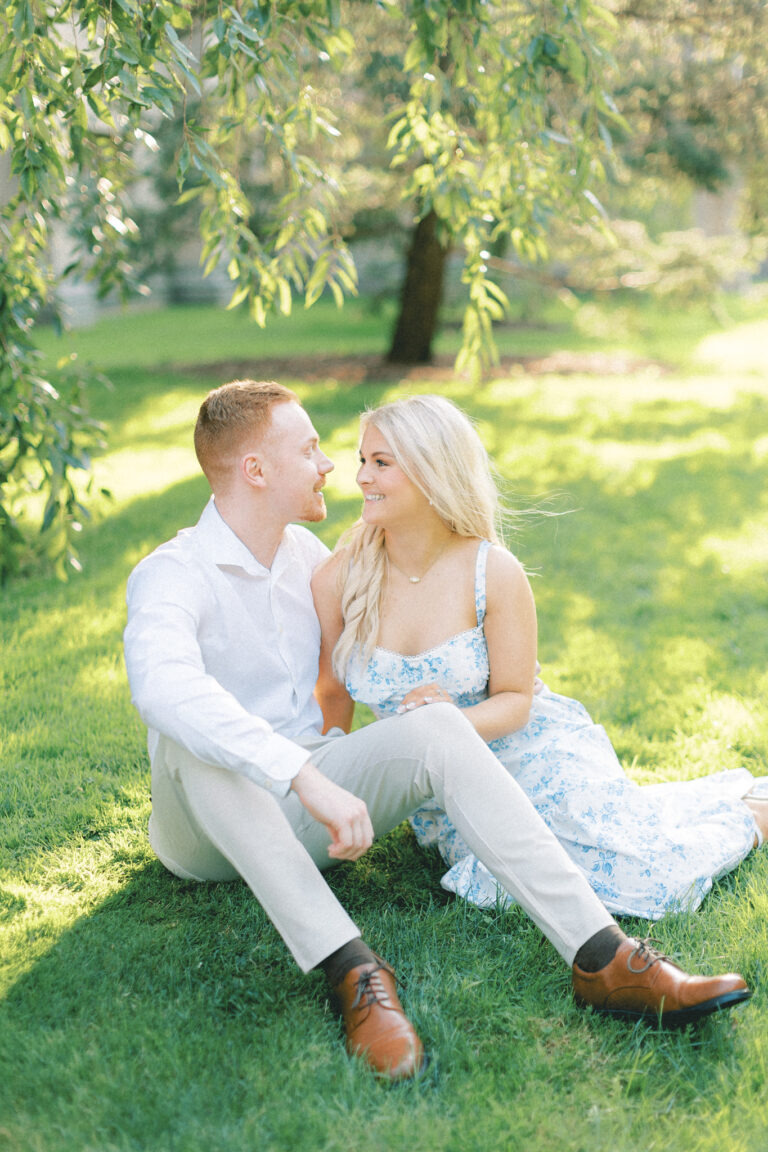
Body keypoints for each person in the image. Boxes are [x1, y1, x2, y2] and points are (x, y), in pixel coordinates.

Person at [124, 380, 752, 1085]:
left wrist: (334, 762)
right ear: (256, 470)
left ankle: (604, 958)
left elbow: (333, 691)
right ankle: (353, 970)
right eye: (310, 450)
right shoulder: (171, 575)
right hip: (205, 835)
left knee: (438, 726)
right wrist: (299, 772)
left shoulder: (311, 560)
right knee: (190, 737)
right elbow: (163, 689)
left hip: (309, 809)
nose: (331, 466)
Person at [312, 393, 768, 930]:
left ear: (432, 471)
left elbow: (516, 701)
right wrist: (328, 793)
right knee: (514, 881)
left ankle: (750, 816)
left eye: (381, 462)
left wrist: (444, 724)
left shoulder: (492, 571)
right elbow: (331, 694)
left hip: (535, 753)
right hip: (449, 789)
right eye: (363, 460)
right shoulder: (340, 578)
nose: (361, 477)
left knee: (650, 877)